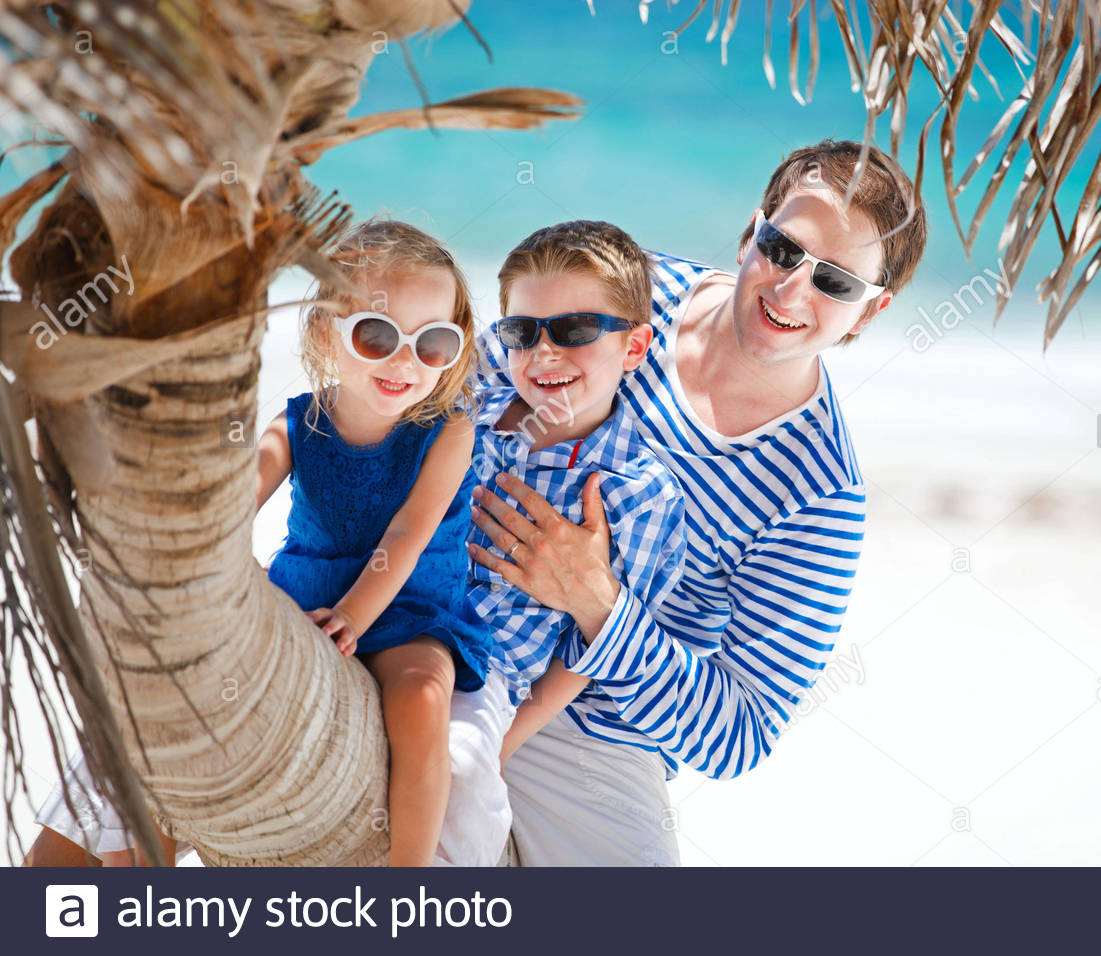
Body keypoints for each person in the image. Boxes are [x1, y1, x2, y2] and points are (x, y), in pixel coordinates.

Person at [469, 140, 928, 865]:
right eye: (782, 249)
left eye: (836, 282)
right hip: (449, 609)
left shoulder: (818, 495)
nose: (790, 292)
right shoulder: (629, 291)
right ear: (753, 231)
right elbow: (468, 375)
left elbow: (741, 730)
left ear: (872, 311)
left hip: (592, 734)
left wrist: (599, 606)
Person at [30, 218, 512, 868]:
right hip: (302, 595)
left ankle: (411, 876)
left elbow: (409, 532)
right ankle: (148, 865)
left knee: (424, 695)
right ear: (323, 332)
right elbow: (238, 497)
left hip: (407, 607)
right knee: (177, 697)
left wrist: (353, 618)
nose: (406, 360)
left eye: (434, 343)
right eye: (377, 334)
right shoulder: (299, 421)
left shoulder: (449, 431)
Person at [465, 221, 686, 781]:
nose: (543, 353)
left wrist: (503, 745)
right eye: (522, 331)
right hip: (389, 619)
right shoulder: (463, 416)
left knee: (457, 784)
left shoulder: (637, 493)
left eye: (575, 329)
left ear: (633, 346)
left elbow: (587, 652)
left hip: (483, 675)